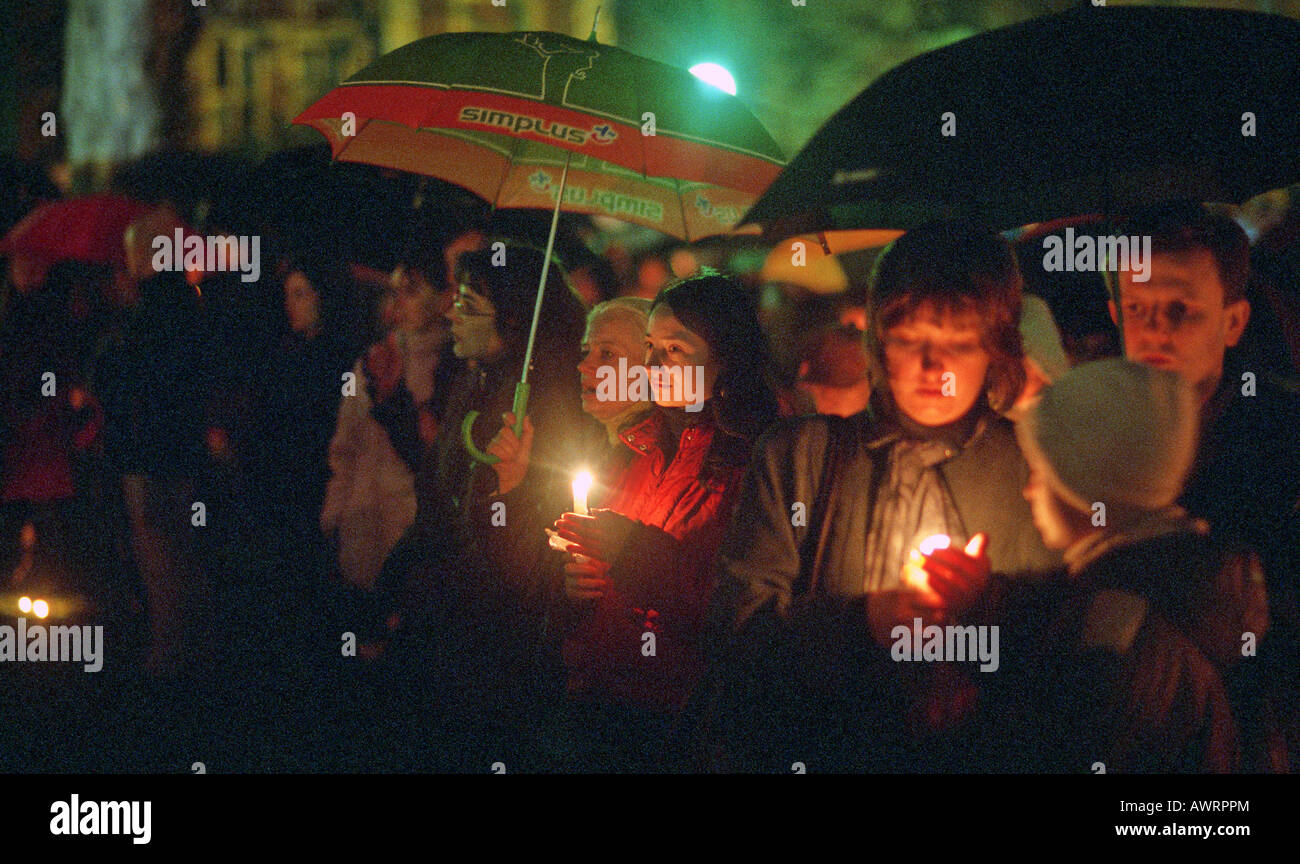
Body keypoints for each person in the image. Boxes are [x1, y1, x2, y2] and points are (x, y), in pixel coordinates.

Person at [706, 220, 1059, 772]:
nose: (931, 369)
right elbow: (736, 638)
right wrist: (866, 621)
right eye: (908, 339)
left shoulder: (1034, 473)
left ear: (997, 349)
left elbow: (1062, 653)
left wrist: (982, 617)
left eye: (958, 344)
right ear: (877, 338)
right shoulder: (799, 457)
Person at [938, 359, 1266, 772]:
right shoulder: (1175, 573)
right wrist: (985, 604)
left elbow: (1049, 745)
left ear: (1085, 490)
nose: (1028, 489)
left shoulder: (1118, 630)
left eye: (1041, 472)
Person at [542, 273, 781, 771]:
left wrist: (631, 550)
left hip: (674, 721)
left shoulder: (758, 461)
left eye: (674, 349)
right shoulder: (639, 447)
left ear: (725, 357)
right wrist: (578, 580)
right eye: (650, 346)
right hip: (594, 701)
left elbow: (740, 608)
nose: (651, 365)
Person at [370, 240, 591, 770]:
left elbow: (524, 537)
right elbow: (438, 491)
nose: (451, 312)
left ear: (514, 322)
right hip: (440, 615)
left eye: (469, 304)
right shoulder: (471, 379)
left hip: (493, 640)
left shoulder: (545, 403)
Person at [1112, 203, 1300, 764]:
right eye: (1137, 306)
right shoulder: (1090, 435)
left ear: (1233, 322)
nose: (1154, 328)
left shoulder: (1282, 437)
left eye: (1181, 309)